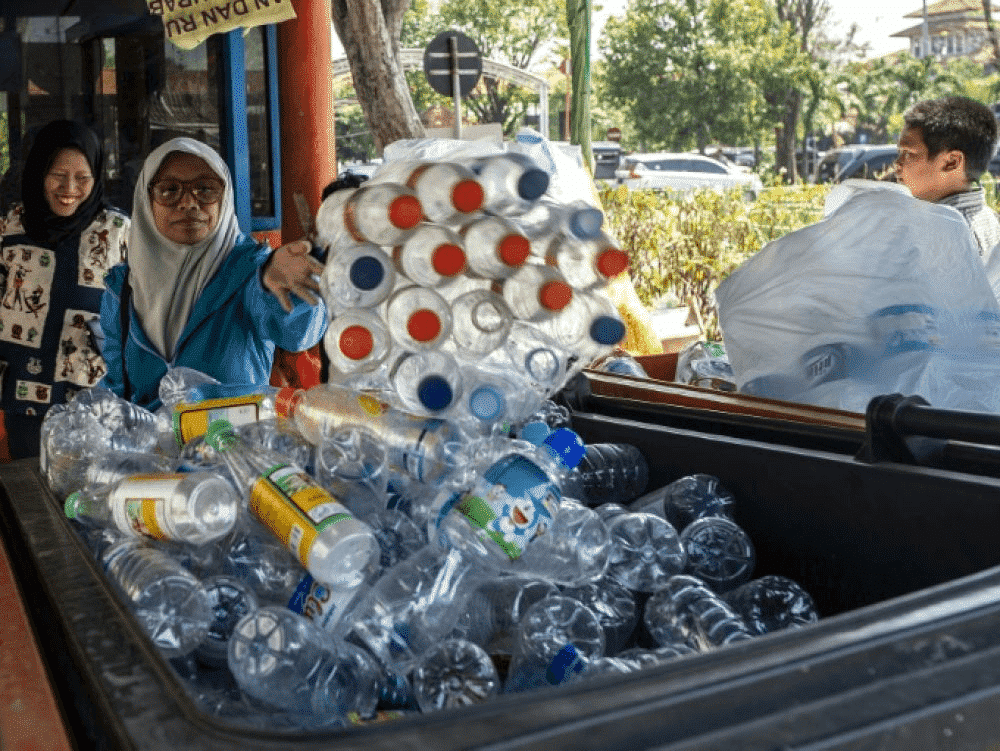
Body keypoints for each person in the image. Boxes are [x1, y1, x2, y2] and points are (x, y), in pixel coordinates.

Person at [99, 137, 326, 409]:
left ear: (225, 198)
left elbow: (299, 335)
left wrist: (278, 286)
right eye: (169, 190)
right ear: (147, 202)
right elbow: (116, 390)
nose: (188, 203)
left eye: (205, 189)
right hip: (150, 450)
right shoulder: (122, 289)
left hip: (232, 447)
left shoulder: (251, 272)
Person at [0, 120, 128, 460]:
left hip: (94, 406)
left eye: (82, 177)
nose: (69, 187)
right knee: (30, 504)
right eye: (57, 174)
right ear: (39, 172)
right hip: (24, 403)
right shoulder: (11, 227)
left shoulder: (118, 232)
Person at [896, 96, 1000, 286]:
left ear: (952, 162)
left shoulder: (944, 235)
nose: (897, 164)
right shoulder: (988, 218)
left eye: (909, 154)